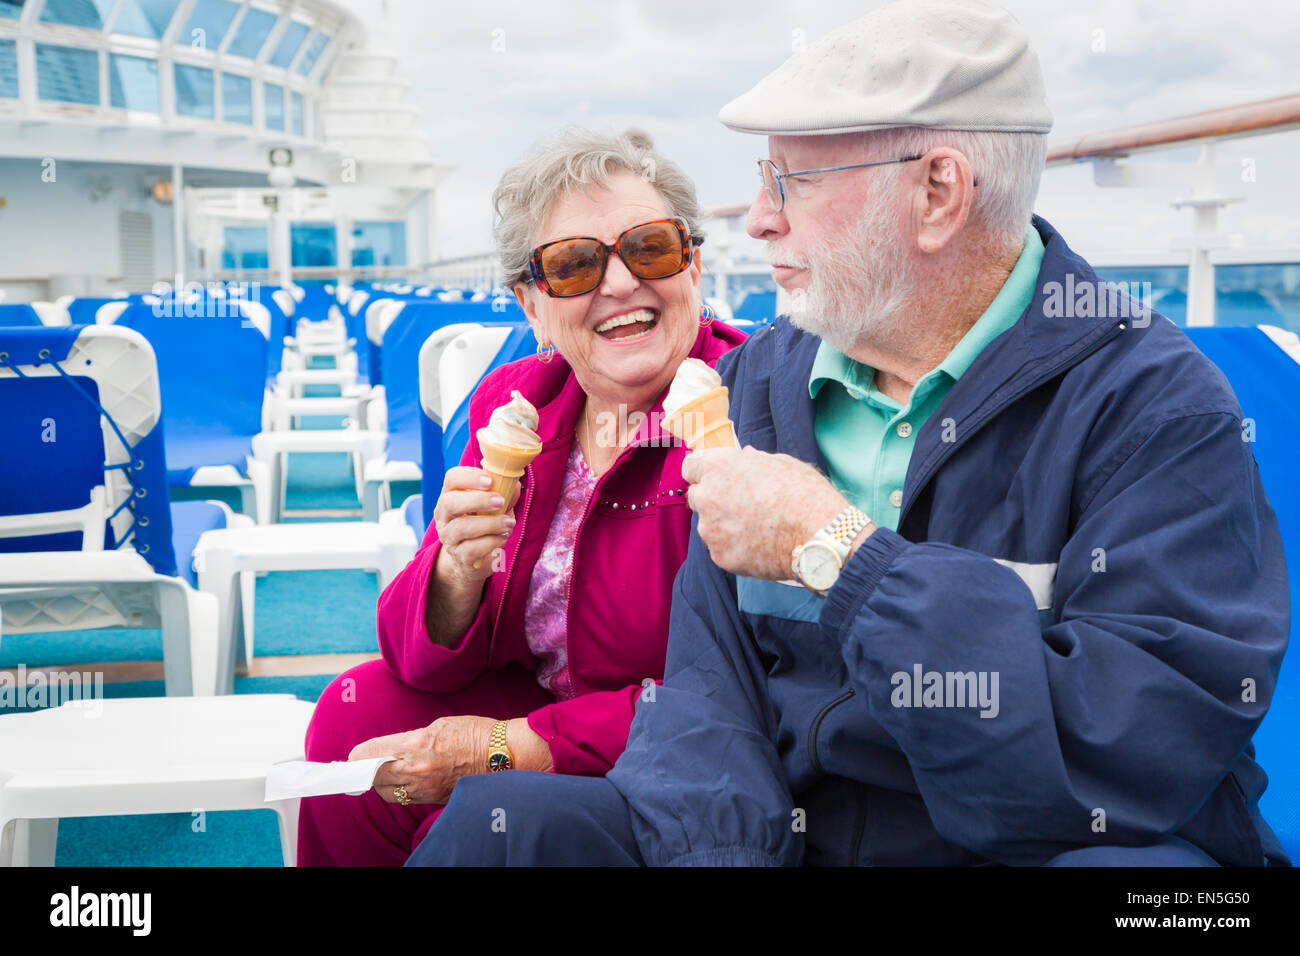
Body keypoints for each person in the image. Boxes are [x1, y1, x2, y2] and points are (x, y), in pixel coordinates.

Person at [407, 0, 1290, 867]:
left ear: (938, 192)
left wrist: (837, 552)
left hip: (1040, 844)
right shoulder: (762, 383)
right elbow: (710, 697)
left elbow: (1125, 756)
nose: (755, 218)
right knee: (508, 825)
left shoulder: (1158, 412)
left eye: (789, 181)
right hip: (787, 836)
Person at [297, 128, 745, 865]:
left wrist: (509, 747)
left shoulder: (747, 405)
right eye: (574, 264)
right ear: (531, 305)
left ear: (692, 264)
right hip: (546, 704)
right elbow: (417, 662)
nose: (622, 283)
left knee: (489, 807)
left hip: (684, 747)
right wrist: (454, 575)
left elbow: (743, 688)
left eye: (652, 248)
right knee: (354, 722)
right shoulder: (517, 403)